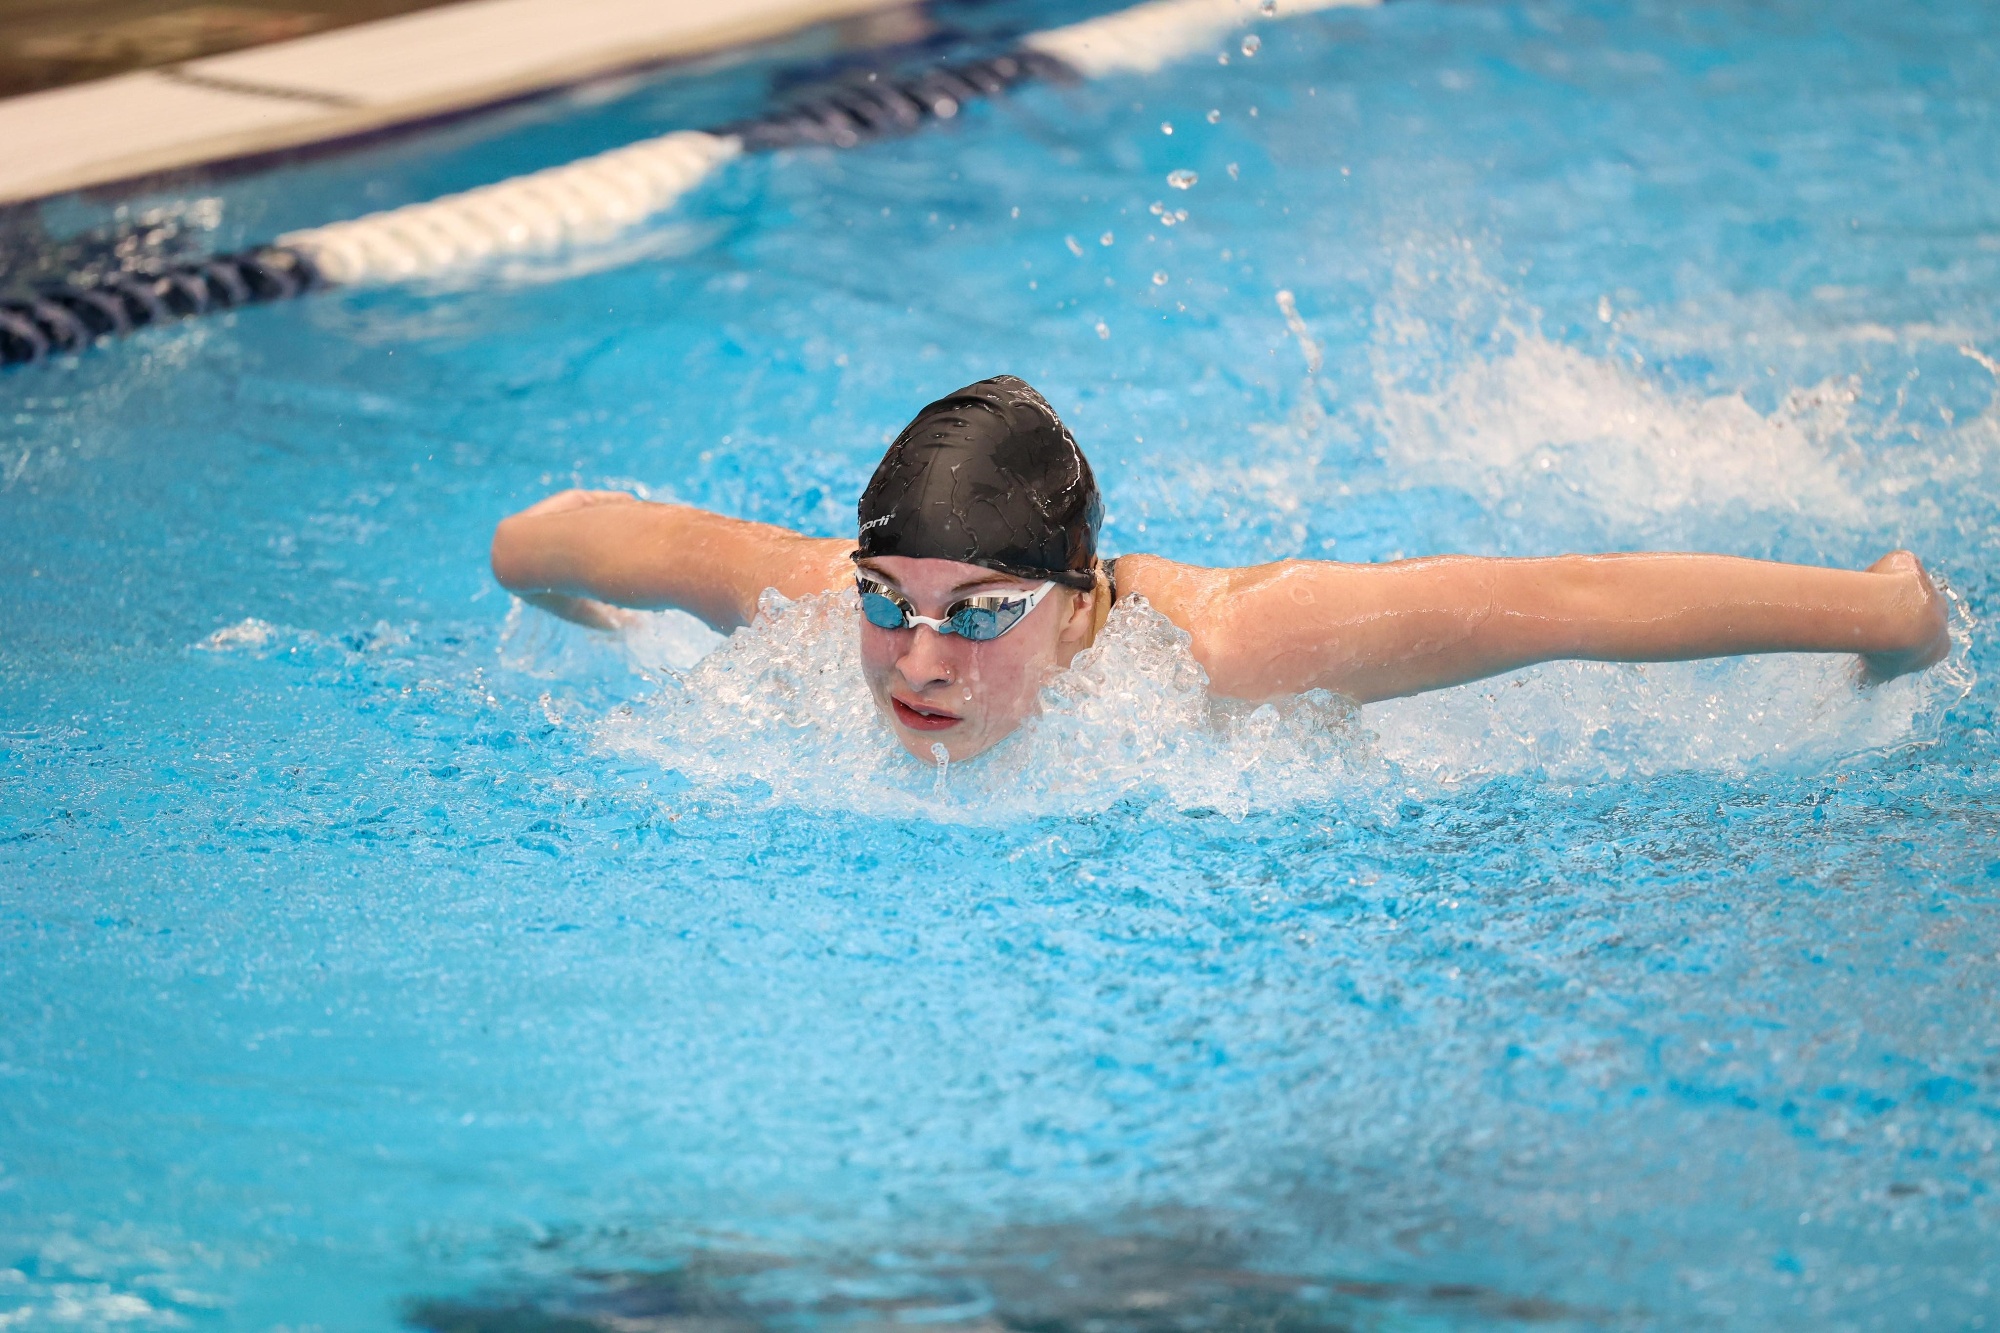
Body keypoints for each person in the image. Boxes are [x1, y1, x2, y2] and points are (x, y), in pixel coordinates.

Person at [491, 375, 1951, 762]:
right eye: (895, 604)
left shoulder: (1230, 651)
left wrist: (1887, 610)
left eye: (981, 615)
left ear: (1075, 615)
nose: (920, 658)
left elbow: (1571, 601)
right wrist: (603, 613)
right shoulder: (826, 606)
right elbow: (543, 533)